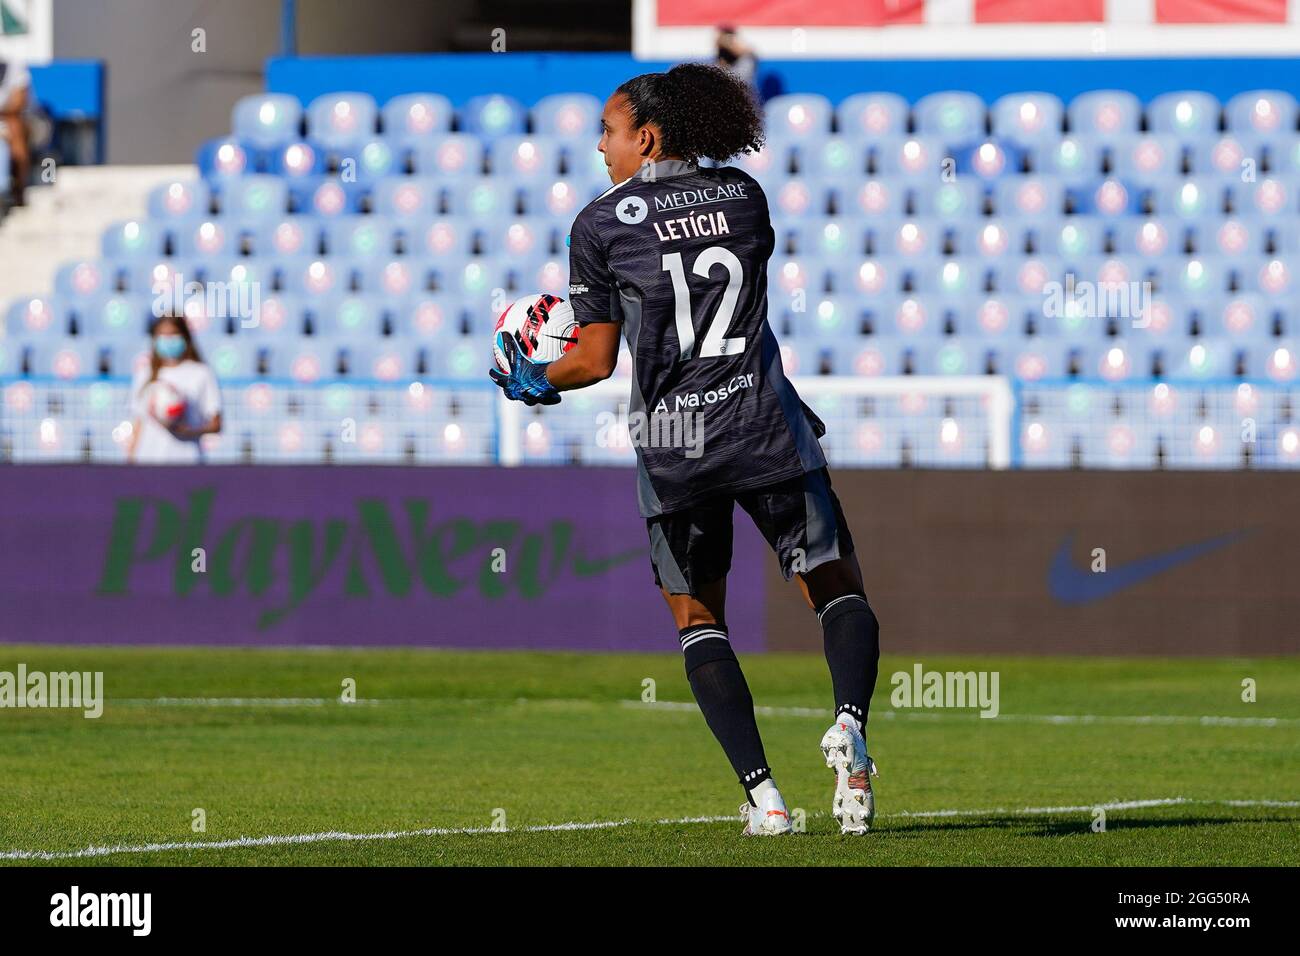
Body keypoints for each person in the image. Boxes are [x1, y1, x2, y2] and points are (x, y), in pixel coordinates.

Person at [490, 64, 881, 837]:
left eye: (608, 130)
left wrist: (532, 377)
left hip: (677, 443)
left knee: (699, 616)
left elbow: (595, 361)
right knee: (837, 588)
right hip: (765, 424)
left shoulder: (600, 224)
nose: (600, 146)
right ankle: (849, 727)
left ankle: (765, 798)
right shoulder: (744, 196)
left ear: (648, 136)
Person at [128, 314, 223, 463]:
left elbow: (216, 424)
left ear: (184, 337)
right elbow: (138, 423)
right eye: (163, 335)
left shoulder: (201, 373)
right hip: (149, 461)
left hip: (186, 460)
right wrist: (131, 460)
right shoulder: (144, 374)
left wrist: (189, 431)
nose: (168, 340)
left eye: (173, 334)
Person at [0, 54, 31, 204]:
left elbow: (17, 104)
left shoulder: (14, 66)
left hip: (18, 120)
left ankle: (19, 189)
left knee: (14, 126)